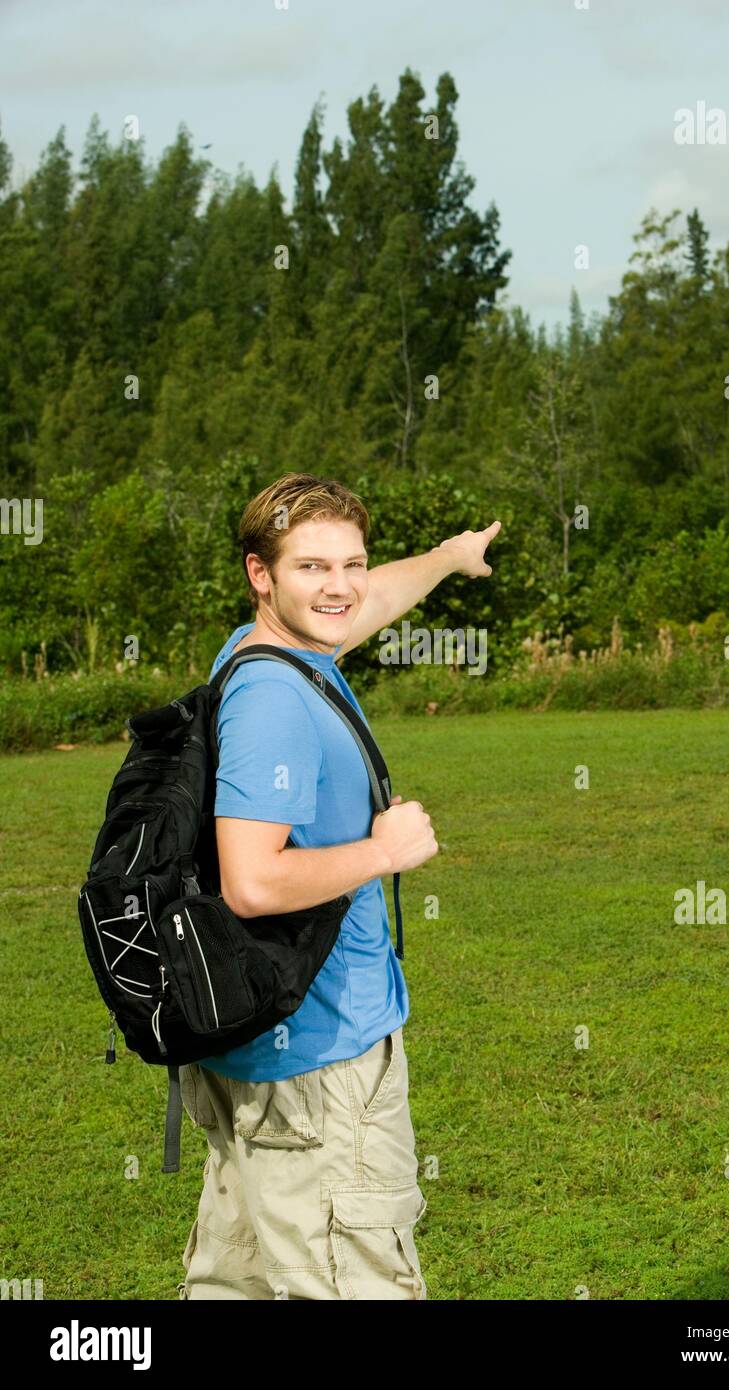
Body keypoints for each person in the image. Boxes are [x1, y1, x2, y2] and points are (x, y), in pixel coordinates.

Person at [177, 471, 500, 1300]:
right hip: (320, 1063)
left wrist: (448, 556)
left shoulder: (281, 650)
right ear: (261, 574)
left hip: (263, 1052)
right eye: (314, 567)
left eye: (351, 563)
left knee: (241, 1284)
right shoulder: (275, 699)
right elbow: (252, 880)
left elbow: (372, 601)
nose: (342, 587)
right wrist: (382, 851)